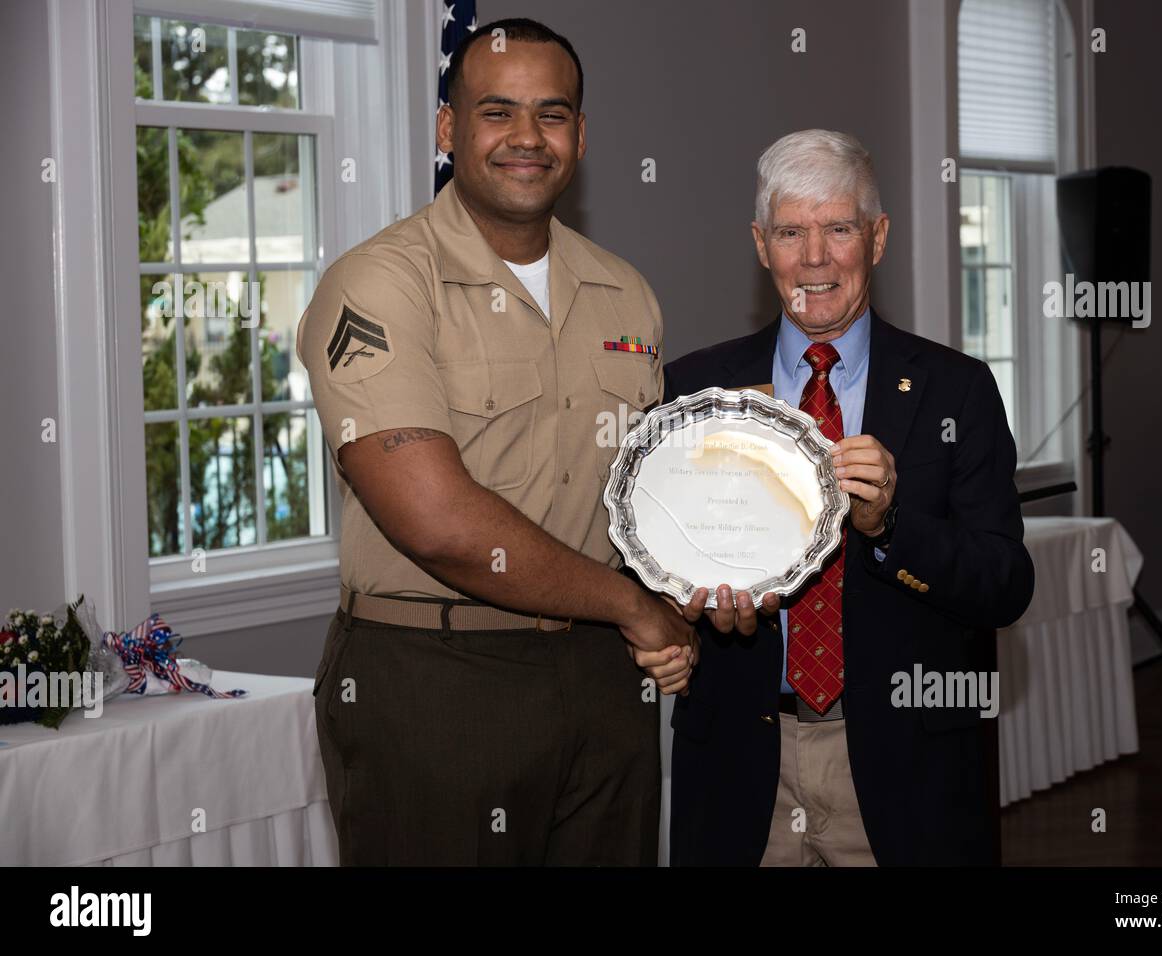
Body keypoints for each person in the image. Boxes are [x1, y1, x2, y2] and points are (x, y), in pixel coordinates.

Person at [296, 17, 695, 866]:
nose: (527, 138)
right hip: (438, 677)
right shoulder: (379, 284)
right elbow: (436, 521)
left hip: (603, 676)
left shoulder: (627, 294)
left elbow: (647, 494)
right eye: (496, 112)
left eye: (552, 115)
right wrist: (633, 604)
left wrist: (701, 584)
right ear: (448, 128)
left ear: (581, 136)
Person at [649, 129, 1035, 865]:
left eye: (838, 229)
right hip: (740, 762)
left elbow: (1005, 586)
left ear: (878, 237)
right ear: (761, 245)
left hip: (901, 767)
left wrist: (890, 525)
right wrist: (679, 608)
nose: (815, 258)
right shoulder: (699, 392)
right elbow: (654, 563)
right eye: (792, 231)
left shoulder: (957, 389)